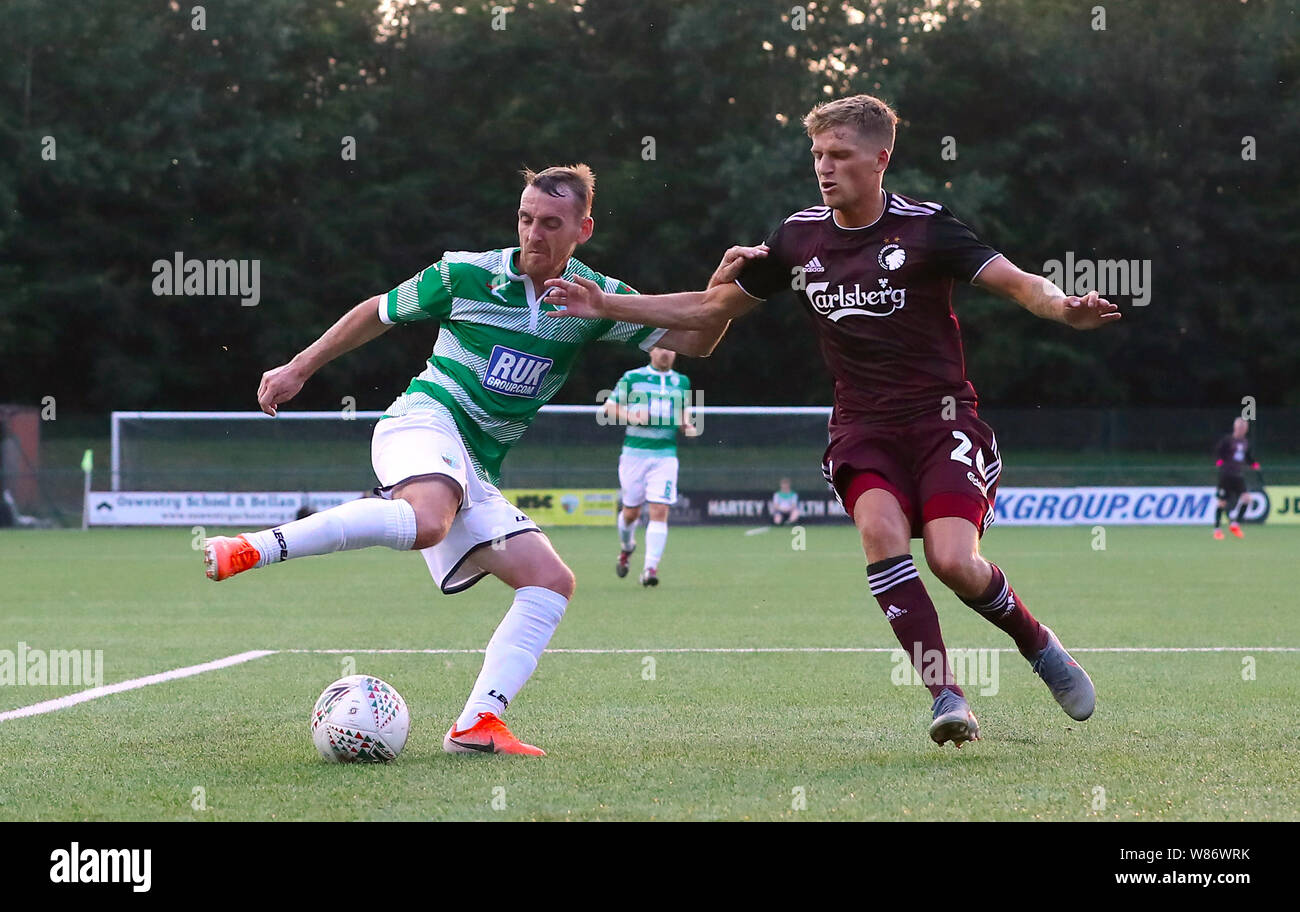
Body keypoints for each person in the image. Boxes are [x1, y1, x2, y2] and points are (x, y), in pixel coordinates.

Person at [544, 95, 1121, 747]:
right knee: (880, 533)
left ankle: (1039, 645)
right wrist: (604, 302)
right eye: (818, 154)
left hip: (942, 422)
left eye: (839, 154)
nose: (824, 167)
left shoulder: (928, 228)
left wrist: (1065, 307)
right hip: (862, 426)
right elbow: (709, 310)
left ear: (881, 159)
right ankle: (946, 695)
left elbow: (1020, 284)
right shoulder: (798, 237)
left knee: (954, 561)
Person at [202, 165, 731, 756]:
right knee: (428, 521)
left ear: (583, 228)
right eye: (526, 219)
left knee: (550, 582)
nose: (534, 233)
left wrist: (723, 290)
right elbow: (375, 313)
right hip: (422, 422)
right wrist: (299, 367)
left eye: (551, 224)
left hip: (476, 468)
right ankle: (254, 547)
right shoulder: (464, 273)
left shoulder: (593, 298)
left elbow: (697, 340)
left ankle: (477, 724)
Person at [605, 346, 697, 585]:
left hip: (665, 455)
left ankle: (650, 570)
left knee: (659, 510)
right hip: (634, 455)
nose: (666, 353)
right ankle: (627, 547)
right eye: (661, 348)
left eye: (672, 349)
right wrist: (633, 416)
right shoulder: (633, 377)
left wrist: (687, 424)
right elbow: (609, 407)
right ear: (650, 351)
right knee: (630, 513)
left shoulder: (682, 381)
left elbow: (683, 412)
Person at [1213, 417, 1262, 539]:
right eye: (1241, 427)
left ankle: (1235, 525)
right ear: (1235, 427)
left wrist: (1253, 464)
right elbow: (1219, 452)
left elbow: (1247, 456)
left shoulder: (1245, 442)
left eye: (1245, 428)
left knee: (1247, 499)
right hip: (1226, 475)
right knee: (1222, 503)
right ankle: (1217, 530)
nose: (1243, 430)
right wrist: (1219, 461)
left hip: (1238, 475)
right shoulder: (1228, 440)